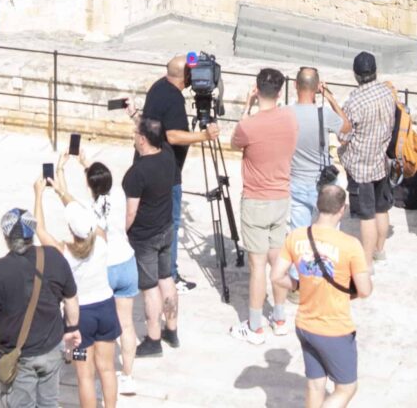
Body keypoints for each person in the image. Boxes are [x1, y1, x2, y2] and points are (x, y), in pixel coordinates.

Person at [270, 184, 372, 408]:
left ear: (318, 206)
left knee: (315, 384)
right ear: (342, 209)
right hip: (334, 327)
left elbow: (276, 276)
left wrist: (297, 285)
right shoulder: (350, 245)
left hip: (305, 324)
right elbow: (364, 290)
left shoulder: (296, 237)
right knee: (346, 388)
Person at [137, 57, 218, 305]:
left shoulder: (158, 86)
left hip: (148, 168)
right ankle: (169, 275)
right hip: (166, 173)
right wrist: (204, 135)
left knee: (153, 220)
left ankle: (148, 267)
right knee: (170, 224)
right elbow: (172, 135)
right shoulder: (172, 98)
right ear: (186, 76)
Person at [0, 207, 79, 408]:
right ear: (32, 233)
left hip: (19, 355)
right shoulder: (53, 257)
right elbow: (71, 299)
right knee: (50, 403)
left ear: (6, 236)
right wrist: (72, 329)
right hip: (52, 348)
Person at [34, 182, 118, 408]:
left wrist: (38, 195)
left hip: (80, 319)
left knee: (84, 375)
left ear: (71, 230)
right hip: (107, 309)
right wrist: (63, 192)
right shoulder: (101, 241)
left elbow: (39, 230)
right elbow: (85, 216)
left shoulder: (64, 253)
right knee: (107, 368)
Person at [228, 67, 297, 343]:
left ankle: (255, 326)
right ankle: (279, 318)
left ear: (257, 90)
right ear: (280, 92)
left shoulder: (249, 125)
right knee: (278, 260)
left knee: (257, 266)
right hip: (281, 198)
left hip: (256, 200)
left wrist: (247, 106)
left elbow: (235, 143)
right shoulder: (290, 119)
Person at [58, 159, 138, 396]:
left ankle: (74, 356)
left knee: (85, 372)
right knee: (126, 324)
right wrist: (87, 163)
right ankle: (128, 375)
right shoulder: (119, 195)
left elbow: (66, 198)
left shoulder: (87, 211)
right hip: (127, 262)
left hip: (102, 277)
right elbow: (103, 184)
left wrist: (60, 171)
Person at [120, 116, 179, 359]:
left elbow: (131, 211)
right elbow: (158, 132)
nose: (134, 136)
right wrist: (135, 114)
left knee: (149, 287)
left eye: (136, 132)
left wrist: (120, 233)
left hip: (145, 237)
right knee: (166, 278)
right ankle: (172, 330)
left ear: (142, 140)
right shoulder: (167, 156)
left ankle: (153, 338)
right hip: (166, 229)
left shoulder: (137, 173)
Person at [335, 52, 397, 262]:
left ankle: (367, 261)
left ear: (356, 75)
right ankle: (380, 249)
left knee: (367, 215)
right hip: (381, 161)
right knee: (381, 209)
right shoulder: (387, 93)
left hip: (361, 166)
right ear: (375, 71)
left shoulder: (354, 102)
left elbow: (343, 136)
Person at [288, 67, 344, 229]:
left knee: (298, 234)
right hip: (322, 182)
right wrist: (330, 97)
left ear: (294, 85)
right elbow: (346, 128)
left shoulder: (286, 113)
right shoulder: (324, 114)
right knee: (328, 234)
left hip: (296, 180)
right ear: (317, 86)